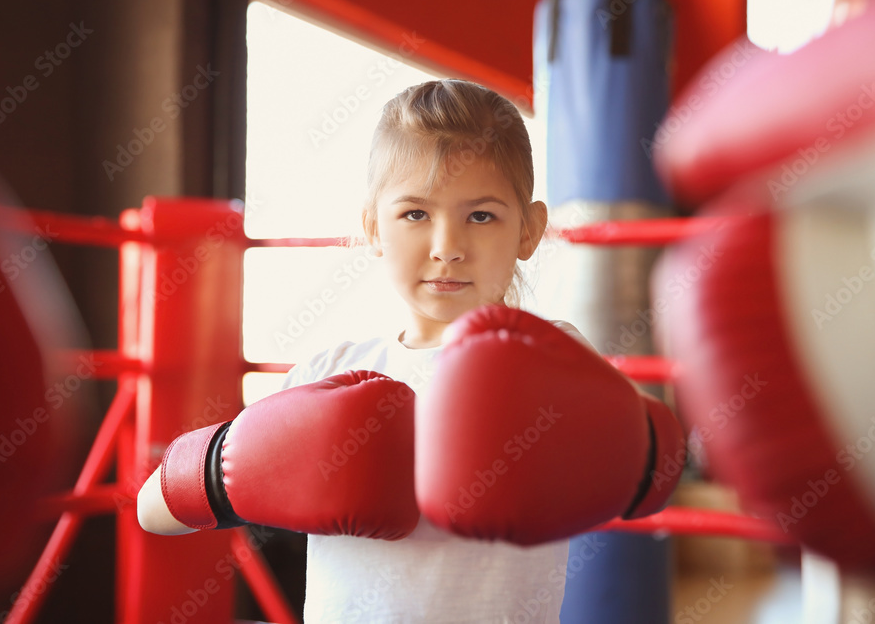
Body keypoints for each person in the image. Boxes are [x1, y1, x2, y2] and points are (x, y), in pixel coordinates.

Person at [139, 79, 616, 622]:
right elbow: (153, 510)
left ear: (529, 230)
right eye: (415, 214)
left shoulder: (552, 356)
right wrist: (238, 469)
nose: (447, 248)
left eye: (480, 216)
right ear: (372, 226)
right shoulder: (332, 372)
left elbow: (632, 470)